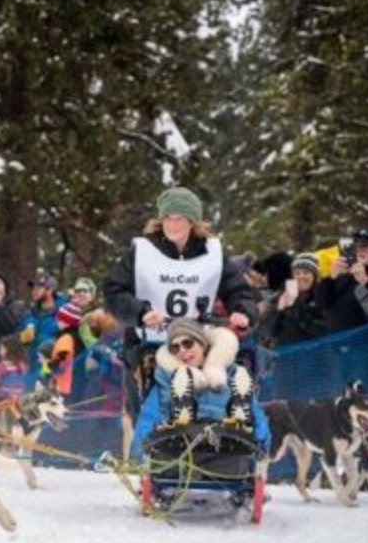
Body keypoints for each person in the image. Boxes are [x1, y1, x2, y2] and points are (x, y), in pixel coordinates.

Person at [102, 186, 258, 458]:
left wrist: (243, 311)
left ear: (192, 222)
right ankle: (153, 459)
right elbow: (114, 290)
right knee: (151, 402)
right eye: (167, 218)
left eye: (179, 218)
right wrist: (140, 312)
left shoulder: (213, 253)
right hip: (148, 342)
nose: (172, 224)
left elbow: (238, 291)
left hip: (196, 341)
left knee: (215, 388)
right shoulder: (142, 251)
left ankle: (219, 451)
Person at [130, 318, 270, 458]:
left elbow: (257, 418)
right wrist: (139, 457)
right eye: (175, 348)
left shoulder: (233, 375)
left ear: (203, 345)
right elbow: (148, 419)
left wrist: (261, 448)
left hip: (230, 453)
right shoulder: (167, 380)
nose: (182, 351)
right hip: (178, 455)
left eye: (188, 343)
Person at [316, 226, 368, 335]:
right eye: (357, 245)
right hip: (335, 343)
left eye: (366, 245)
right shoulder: (345, 272)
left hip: (364, 344)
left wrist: (366, 284)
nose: (360, 249)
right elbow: (321, 305)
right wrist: (330, 278)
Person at [269, 253, 327, 347]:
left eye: (306, 273)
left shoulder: (322, 295)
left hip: (315, 354)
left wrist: (296, 303)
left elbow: (321, 329)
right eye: (297, 273)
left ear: (314, 276)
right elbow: (270, 331)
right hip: (287, 354)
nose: (301, 277)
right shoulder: (282, 296)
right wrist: (278, 311)